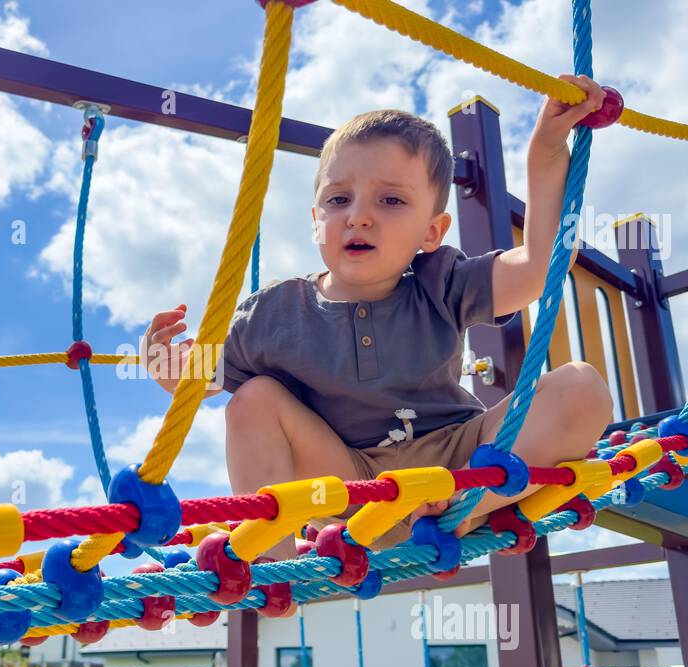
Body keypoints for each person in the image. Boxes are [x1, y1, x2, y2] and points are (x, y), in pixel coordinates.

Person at [143, 77, 613, 558]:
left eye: (390, 200)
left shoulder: (441, 282)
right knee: (252, 399)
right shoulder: (273, 312)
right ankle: (272, 561)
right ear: (315, 219)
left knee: (581, 388)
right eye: (338, 199)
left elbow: (541, 265)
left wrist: (548, 149)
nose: (359, 216)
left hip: (463, 459)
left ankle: (463, 509)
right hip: (351, 485)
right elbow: (201, 381)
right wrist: (168, 365)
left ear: (431, 231)